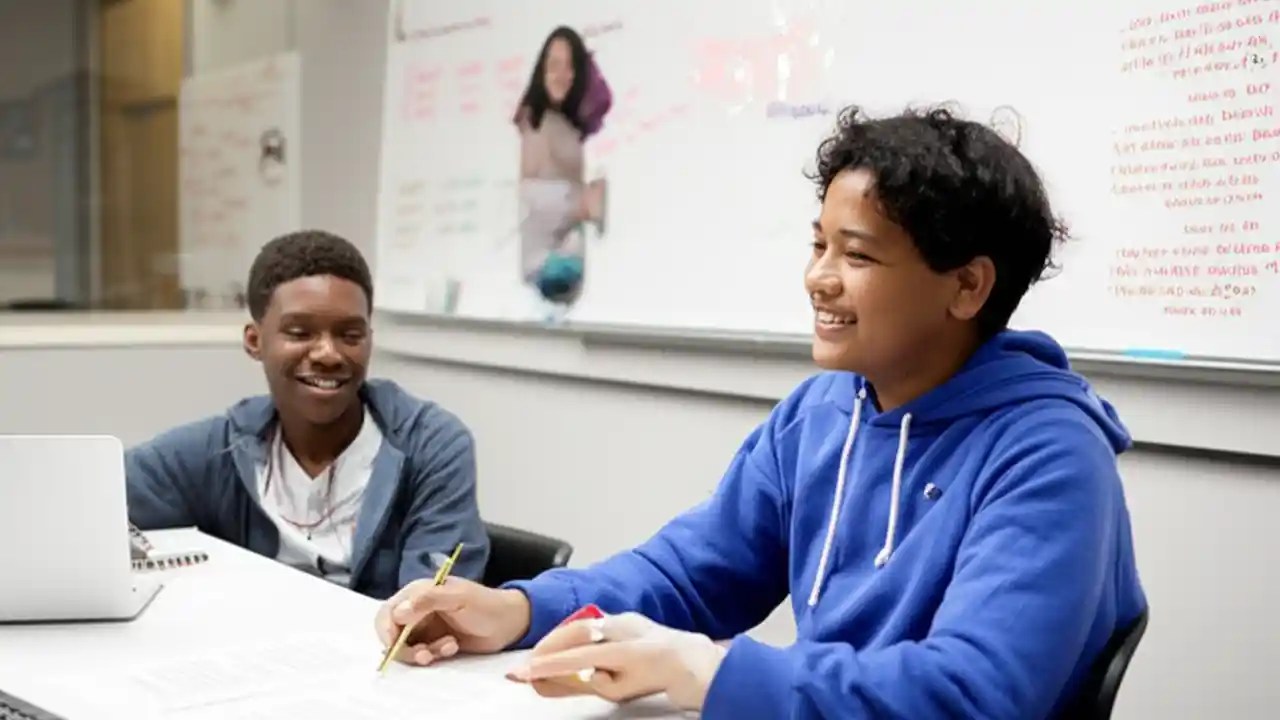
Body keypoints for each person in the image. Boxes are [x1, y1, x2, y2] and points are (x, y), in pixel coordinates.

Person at [373, 105, 1147, 718]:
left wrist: (707, 671)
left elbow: (972, 694)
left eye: (858, 255)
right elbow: (691, 573)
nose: (819, 279)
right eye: (818, 246)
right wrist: (516, 609)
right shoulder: (821, 413)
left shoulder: (1050, 454)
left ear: (968, 287)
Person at [126, 230, 489, 599]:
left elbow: (434, 609)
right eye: (300, 333)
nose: (328, 354)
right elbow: (92, 503)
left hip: (379, 652)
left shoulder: (430, 445)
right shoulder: (218, 449)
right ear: (255, 341)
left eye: (350, 335)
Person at [514, 25, 611, 305]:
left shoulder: (568, 125)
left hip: (570, 272)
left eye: (571, 66)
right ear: (541, 71)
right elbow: (532, 198)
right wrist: (580, 206)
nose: (562, 75)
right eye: (554, 65)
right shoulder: (535, 120)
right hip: (543, 271)